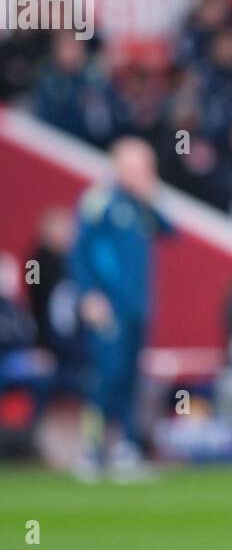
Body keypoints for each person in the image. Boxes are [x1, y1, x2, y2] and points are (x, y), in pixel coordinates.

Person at [70, 137, 173, 479]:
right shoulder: (99, 201)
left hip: (136, 307)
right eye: (140, 167)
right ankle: (92, 449)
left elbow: (172, 231)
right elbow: (80, 252)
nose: (146, 174)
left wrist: (152, 195)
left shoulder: (141, 206)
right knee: (107, 376)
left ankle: (127, 447)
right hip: (107, 307)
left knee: (131, 378)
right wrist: (88, 295)